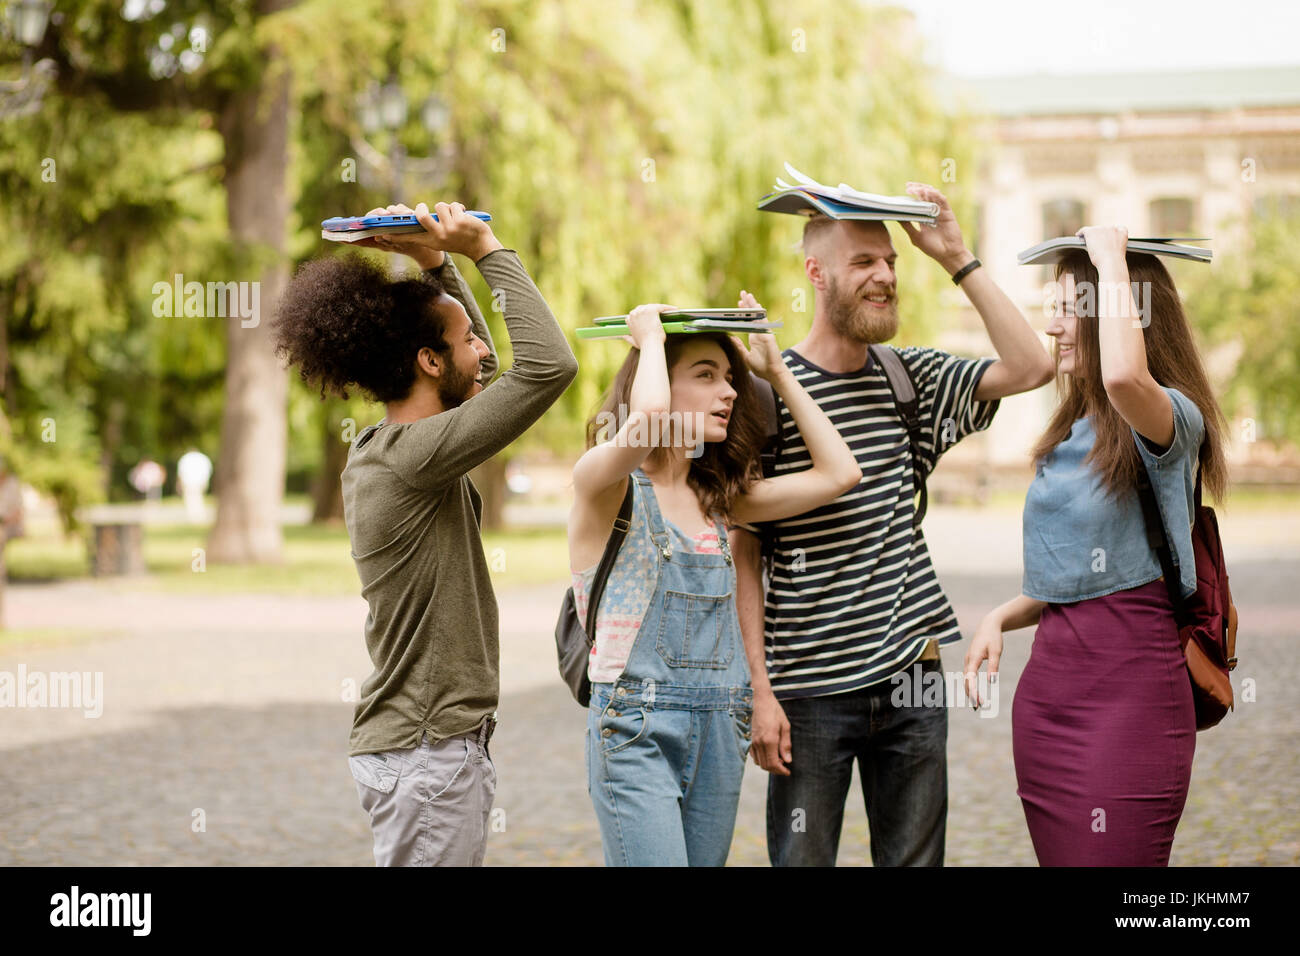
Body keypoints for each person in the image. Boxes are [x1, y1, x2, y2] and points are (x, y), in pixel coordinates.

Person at [731, 183, 1056, 867]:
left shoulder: (914, 380)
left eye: (889, 262)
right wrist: (759, 691)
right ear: (816, 274)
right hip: (808, 692)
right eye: (862, 263)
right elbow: (744, 556)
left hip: (913, 678)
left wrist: (957, 257)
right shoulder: (766, 392)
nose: (883, 276)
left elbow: (1033, 365)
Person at [273, 201, 578, 866]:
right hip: (428, 753)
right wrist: (486, 249)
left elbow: (489, 378)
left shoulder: (398, 445)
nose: (482, 349)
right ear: (429, 363)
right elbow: (547, 367)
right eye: (467, 338)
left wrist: (434, 265)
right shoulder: (417, 456)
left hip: (424, 749)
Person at [963, 226, 1228, 866]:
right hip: (1049, 700)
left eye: (1066, 307)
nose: (1052, 327)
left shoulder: (1173, 417)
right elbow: (1074, 578)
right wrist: (1001, 615)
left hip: (1131, 700)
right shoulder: (1071, 432)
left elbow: (1124, 377)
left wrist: (1110, 259)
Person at [569, 296, 861, 866]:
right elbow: (647, 422)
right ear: (657, 383)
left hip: (719, 730)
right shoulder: (603, 484)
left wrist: (775, 372)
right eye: (706, 376)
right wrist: (650, 338)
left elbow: (839, 472)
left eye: (731, 378)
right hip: (634, 730)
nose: (730, 391)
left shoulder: (721, 501)